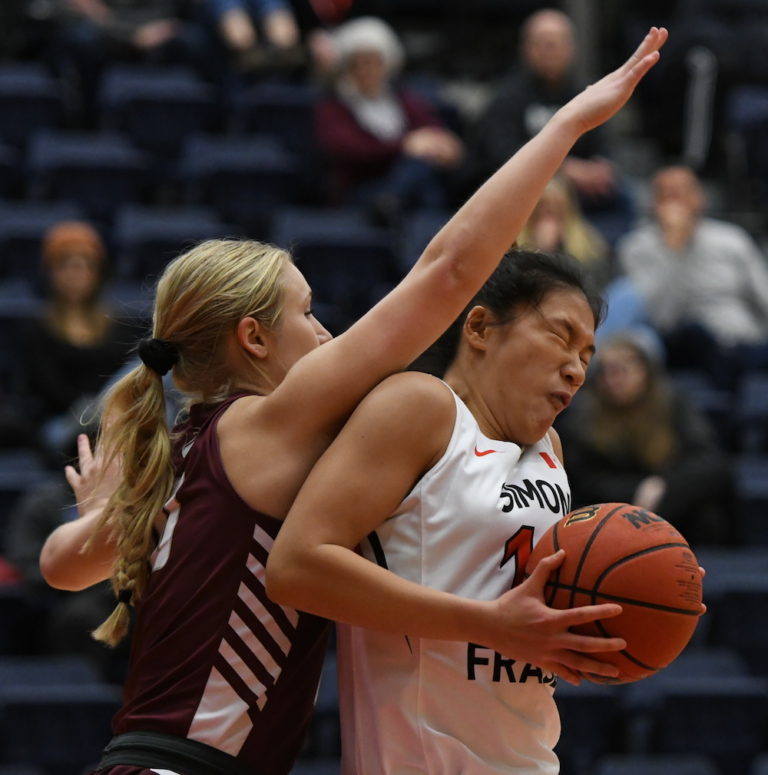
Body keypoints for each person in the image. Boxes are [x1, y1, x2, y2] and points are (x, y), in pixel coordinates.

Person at [38, 27, 668, 775]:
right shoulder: (266, 422)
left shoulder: (184, 452)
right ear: (253, 339)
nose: (326, 328)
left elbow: (60, 566)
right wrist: (565, 126)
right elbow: (447, 271)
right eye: (306, 313)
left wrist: (96, 512)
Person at [266, 249, 642, 773]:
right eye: (561, 337)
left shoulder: (550, 448)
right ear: (481, 327)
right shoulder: (421, 406)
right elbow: (295, 567)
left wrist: (641, 590)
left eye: (587, 354)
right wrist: (489, 625)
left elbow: (528, 604)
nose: (578, 370)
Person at [462, 8, 634, 246]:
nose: (549, 50)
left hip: (576, 192)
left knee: (622, 194)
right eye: (542, 43)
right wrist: (564, 169)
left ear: (571, 48)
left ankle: (610, 261)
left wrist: (601, 166)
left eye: (556, 43)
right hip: (523, 192)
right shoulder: (506, 98)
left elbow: (602, 143)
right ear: (526, 49)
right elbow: (501, 155)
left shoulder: (585, 93)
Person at [555, 332, 736, 547]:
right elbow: (584, 481)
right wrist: (639, 492)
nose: (613, 379)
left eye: (622, 370)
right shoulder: (582, 417)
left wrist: (662, 488)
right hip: (613, 514)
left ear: (644, 371)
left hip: (674, 506)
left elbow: (710, 463)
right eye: (606, 372)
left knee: (709, 514)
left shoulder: (672, 404)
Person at [615, 164, 768, 386]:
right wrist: (673, 249)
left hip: (740, 344)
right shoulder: (636, 248)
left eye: (683, 192)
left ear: (700, 198)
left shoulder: (732, 239)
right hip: (684, 347)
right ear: (654, 203)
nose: (676, 202)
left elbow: (763, 297)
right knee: (693, 333)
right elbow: (659, 316)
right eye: (666, 194)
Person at [314, 15, 464, 219]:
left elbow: (429, 128)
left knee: (423, 178)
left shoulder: (402, 99)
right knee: (420, 173)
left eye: (374, 62)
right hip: (361, 189)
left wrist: (442, 142)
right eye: (359, 63)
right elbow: (352, 151)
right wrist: (404, 146)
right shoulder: (333, 107)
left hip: (406, 187)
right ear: (347, 67)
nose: (367, 70)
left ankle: (392, 199)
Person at [17, 220, 137, 465]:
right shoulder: (38, 327)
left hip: (111, 416)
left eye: (84, 266)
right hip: (62, 417)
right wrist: (87, 411)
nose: (76, 275)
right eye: (67, 266)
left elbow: (128, 377)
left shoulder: (118, 324)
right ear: (51, 272)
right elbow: (46, 386)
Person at [517, 175, 612, 288]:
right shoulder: (514, 251)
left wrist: (557, 247)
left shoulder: (590, 247)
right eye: (540, 213)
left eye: (555, 212)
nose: (548, 223)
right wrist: (541, 250)